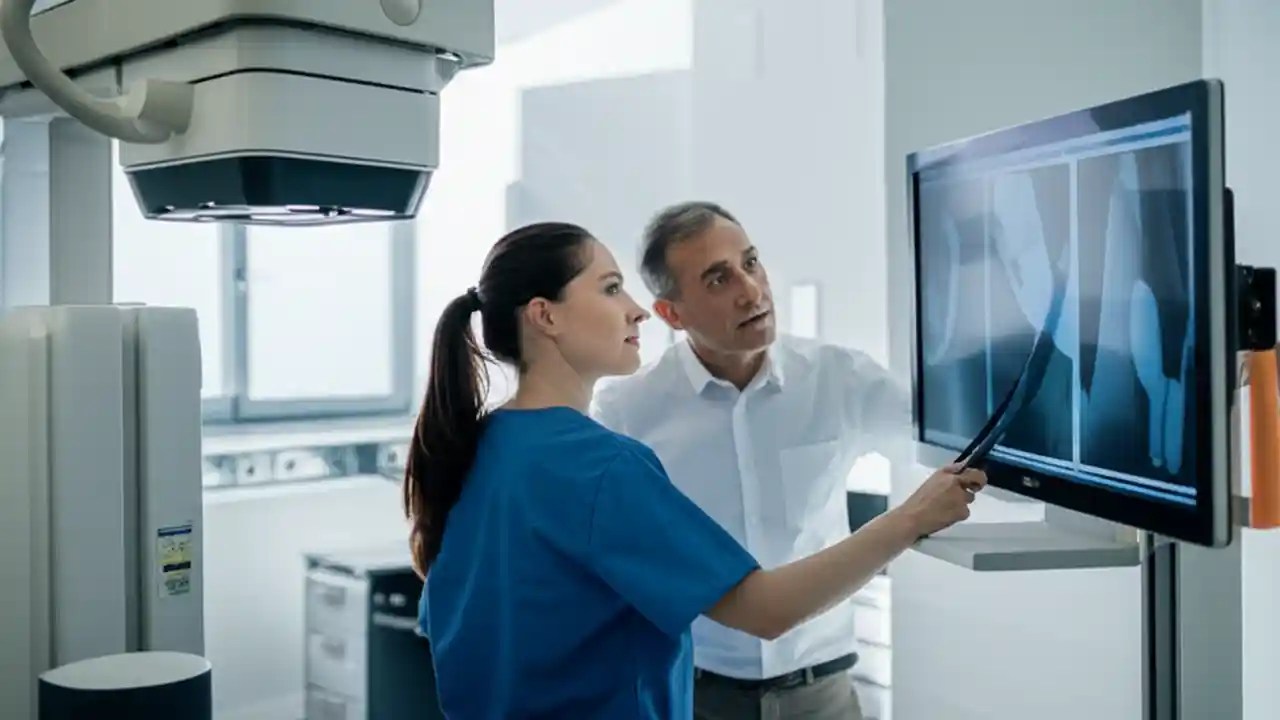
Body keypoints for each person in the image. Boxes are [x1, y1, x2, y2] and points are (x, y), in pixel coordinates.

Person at [405, 220, 986, 719]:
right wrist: (911, 519)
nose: (635, 310)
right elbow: (765, 608)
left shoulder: (472, 450)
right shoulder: (602, 466)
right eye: (610, 289)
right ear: (544, 317)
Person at [591, 201, 919, 720]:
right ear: (672, 314)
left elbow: (950, 449)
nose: (751, 290)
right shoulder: (627, 412)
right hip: (694, 696)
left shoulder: (842, 379)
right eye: (718, 280)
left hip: (825, 694)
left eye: (750, 262)